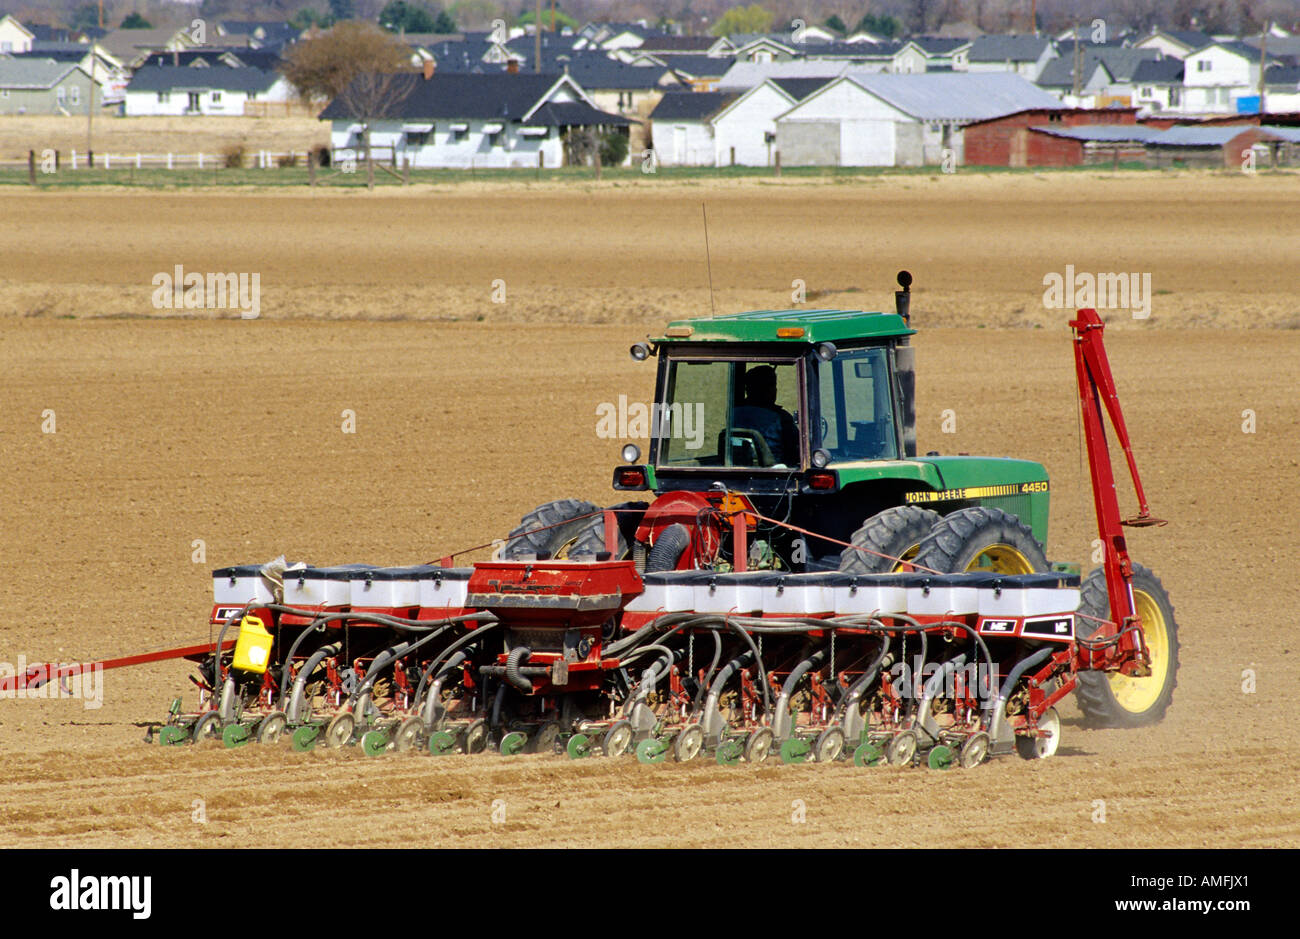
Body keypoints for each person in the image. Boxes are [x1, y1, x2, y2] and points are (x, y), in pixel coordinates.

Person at [730, 365, 800, 466]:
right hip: (774, 472)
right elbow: (795, 451)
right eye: (771, 385)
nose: (774, 390)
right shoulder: (781, 418)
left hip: (738, 466)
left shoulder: (734, 413)